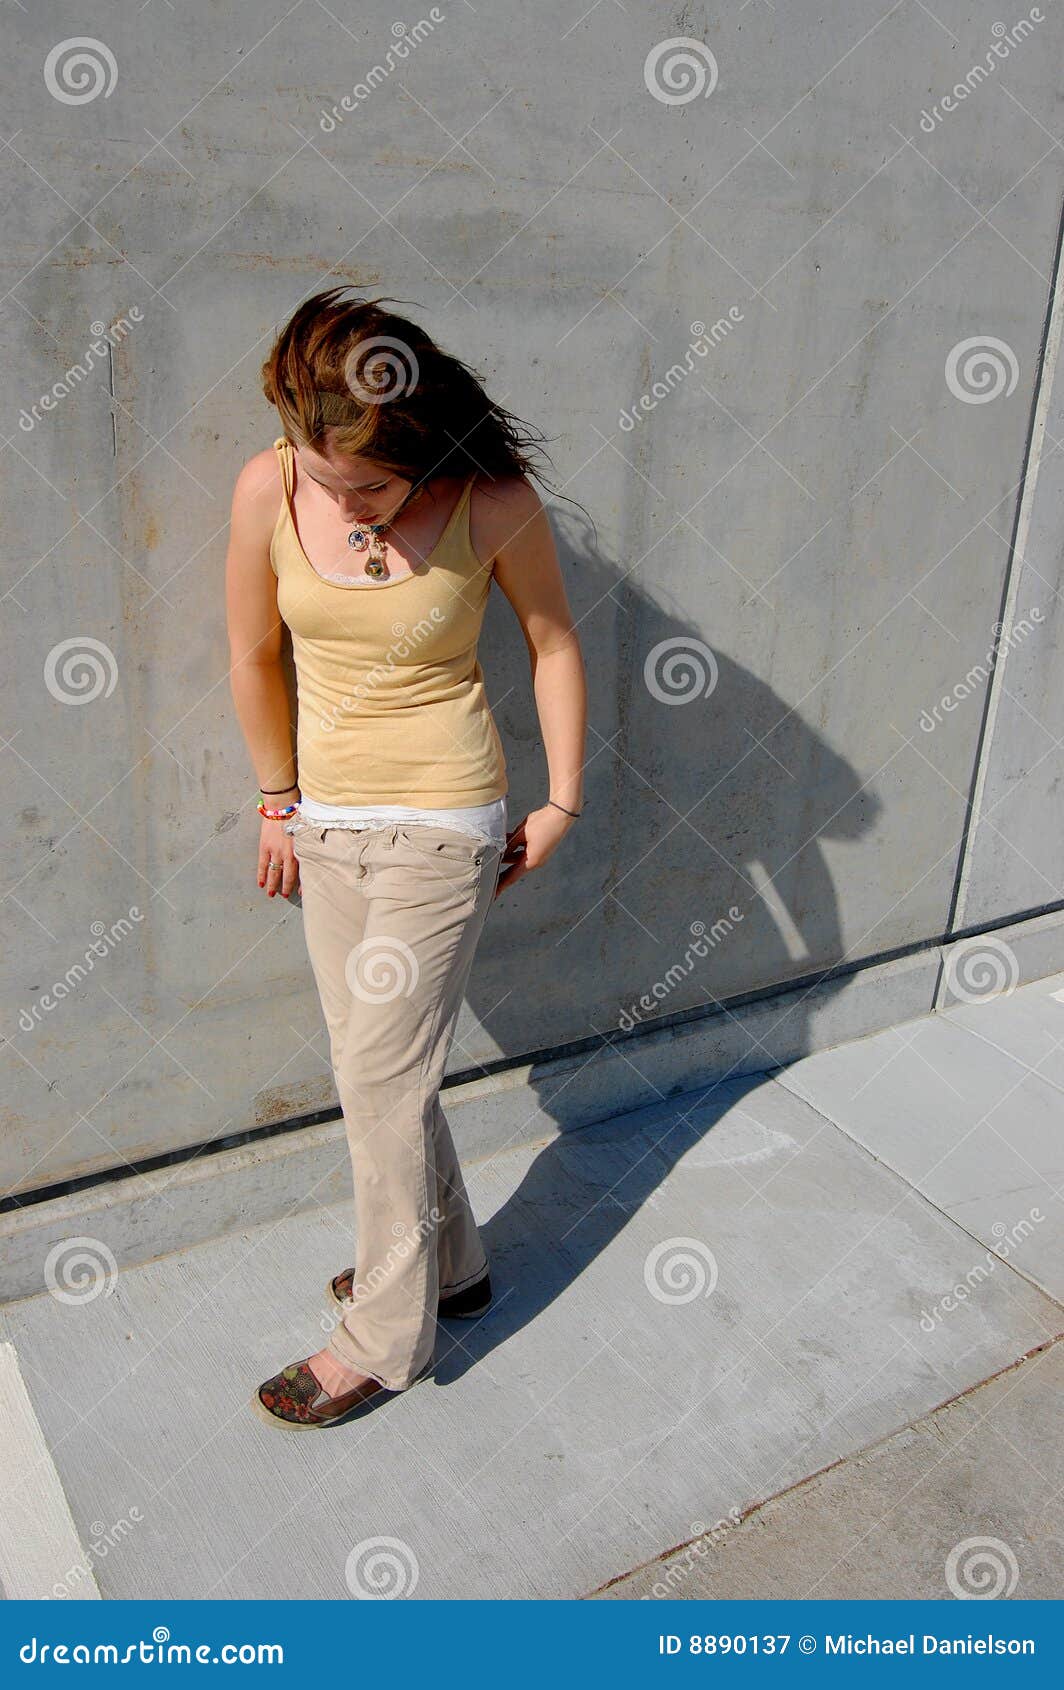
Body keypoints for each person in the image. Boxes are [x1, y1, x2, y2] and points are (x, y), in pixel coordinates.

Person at [225, 286, 588, 1429]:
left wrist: (562, 800)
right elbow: (252, 654)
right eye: (319, 471)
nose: (340, 498)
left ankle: (384, 1339)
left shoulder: (491, 500)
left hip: (443, 822)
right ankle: (455, 1265)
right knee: (378, 1068)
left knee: (376, 1077)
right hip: (324, 821)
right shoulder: (267, 483)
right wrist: (277, 802)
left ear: (424, 443)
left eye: (370, 485)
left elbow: (552, 641)